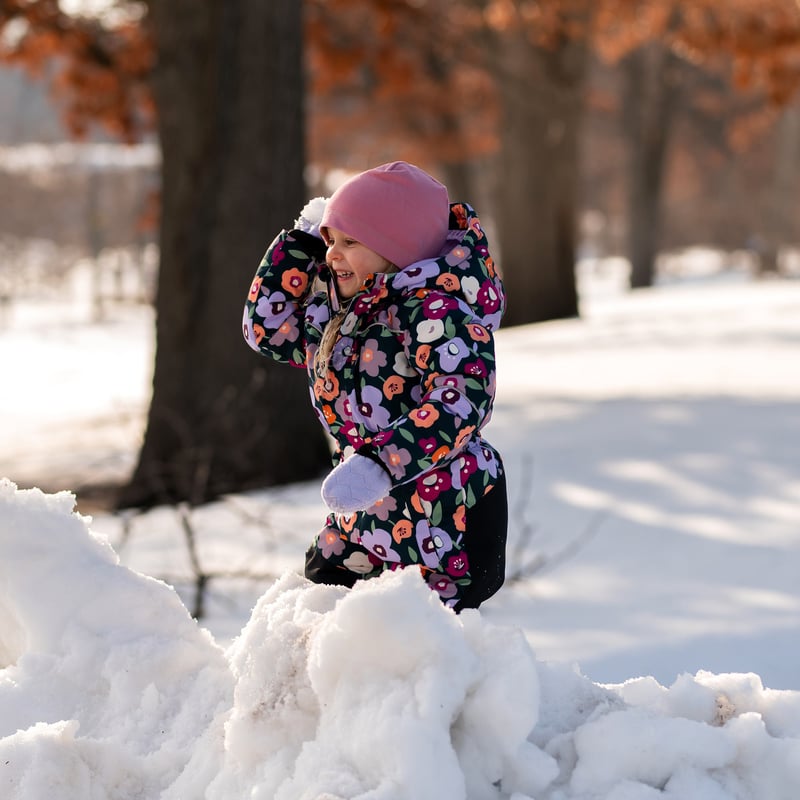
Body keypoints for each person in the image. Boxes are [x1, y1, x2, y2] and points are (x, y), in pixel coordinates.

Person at [242, 161, 507, 612]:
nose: (332, 255)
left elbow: (461, 396)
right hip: (365, 512)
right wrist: (300, 245)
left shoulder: (435, 312)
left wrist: (382, 463)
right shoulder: (336, 313)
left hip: (446, 510)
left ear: (396, 248)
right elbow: (265, 329)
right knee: (316, 607)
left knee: (418, 636)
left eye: (349, 242)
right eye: (329, 241)